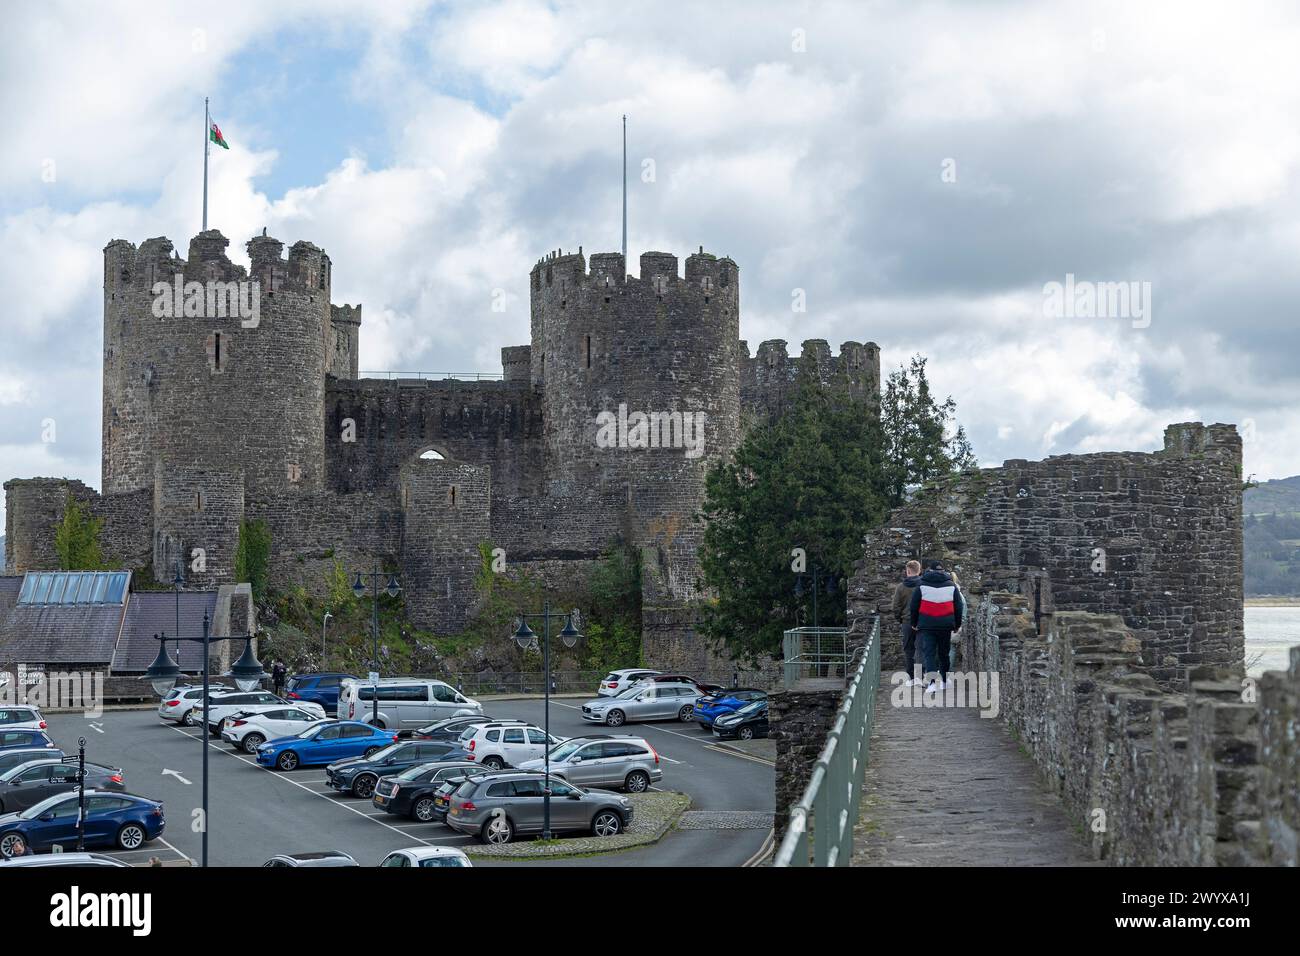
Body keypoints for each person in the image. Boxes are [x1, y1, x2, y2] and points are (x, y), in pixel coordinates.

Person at [908, 560, 964, 693]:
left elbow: (914, 606)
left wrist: (914, 623)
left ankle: (932, 683)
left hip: (927, 625)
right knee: (944, 653)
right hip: (945, 625)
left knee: (929, 654)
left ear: (929, 570)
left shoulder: (921, 585)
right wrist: (957, 624)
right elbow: (958, 607)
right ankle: (944, 681)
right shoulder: (951, 585)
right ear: (943, 571)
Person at [890, 560, 924, 684]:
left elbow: (896, 607)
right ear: (919, 571)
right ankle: (920, 677)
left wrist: (900, 619)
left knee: (909, 650)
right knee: (921, 649)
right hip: (922, 622)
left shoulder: (901, 587)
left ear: (908, 571)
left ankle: (910, 677)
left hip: (906, 622)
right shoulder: (924, 585)